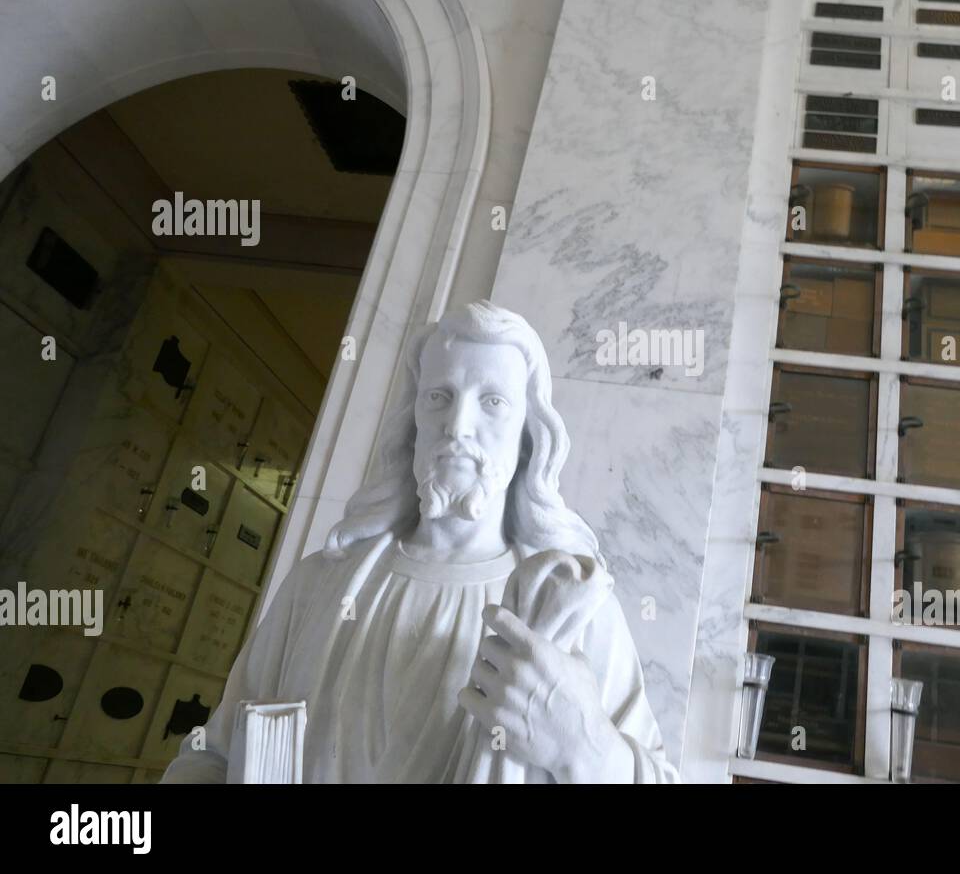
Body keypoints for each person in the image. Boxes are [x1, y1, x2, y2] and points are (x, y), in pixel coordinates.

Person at [162, 300, 677, 783]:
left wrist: (583, 744)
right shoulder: (317, 585)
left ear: (528, 437)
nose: (458, 425)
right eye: (439, 397)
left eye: (492, 401)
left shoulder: (569, 609)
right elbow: (211, 758)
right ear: (413, 422)